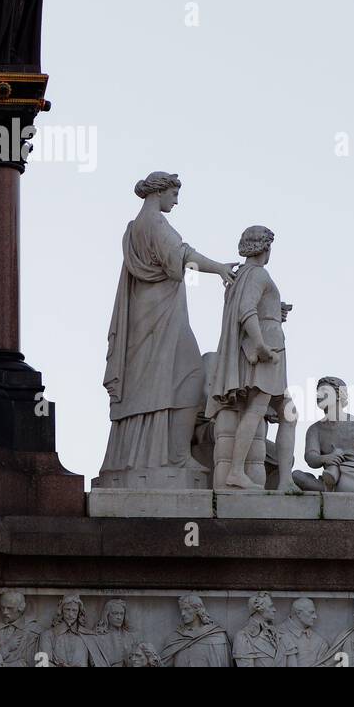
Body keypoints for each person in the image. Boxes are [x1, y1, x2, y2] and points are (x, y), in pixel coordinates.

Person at [99, 173, 235, 486]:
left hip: (145, 313)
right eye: (174, 193)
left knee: (151, 381)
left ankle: (144, 455)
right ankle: (175, 455)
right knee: (190, 375)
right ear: (159, 191)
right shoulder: (155, 224)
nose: (176, 199)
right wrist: (220, 269)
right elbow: (183, 256)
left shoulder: (134, 227)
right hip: (161, 316)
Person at [206, 226, 299, 491]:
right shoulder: (258, 273)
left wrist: (274, 311)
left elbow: (250, 308)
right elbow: (247, 310)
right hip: (267, 349)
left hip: (268, 344)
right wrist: (260, 345)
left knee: (288, 414)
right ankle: (236, 471)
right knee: (257, 409)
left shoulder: (243, 275)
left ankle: (285, 480)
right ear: (265, 247)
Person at [277, 597, 330, 668]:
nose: (315, 616)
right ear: (298, 613)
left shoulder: (320, 643)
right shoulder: (274, 633)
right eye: (311, 612)